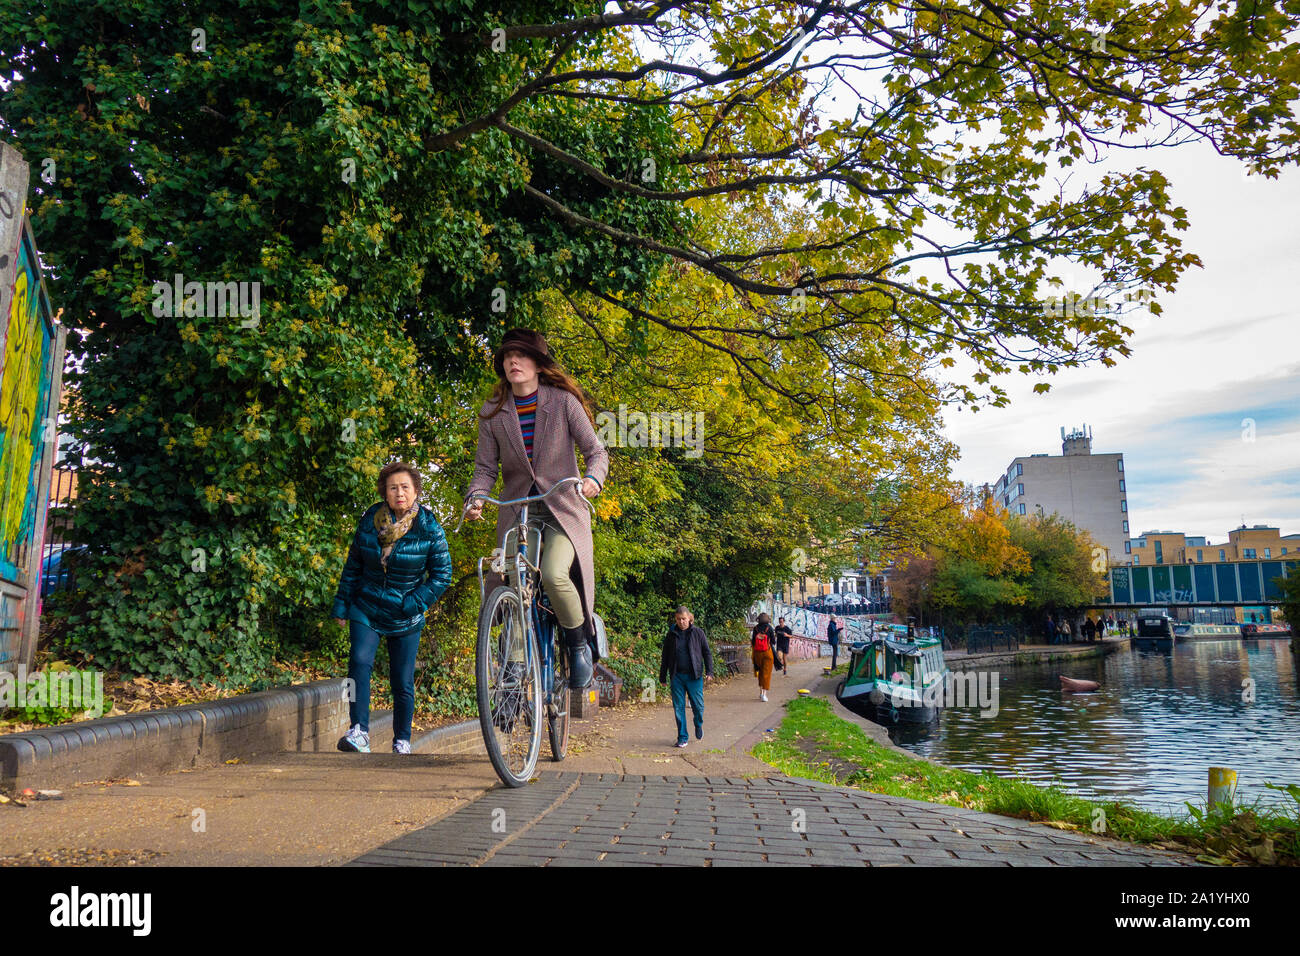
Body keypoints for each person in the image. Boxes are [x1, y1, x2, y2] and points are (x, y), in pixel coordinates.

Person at [464, 328, 609, 688]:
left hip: (562, 507)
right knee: (513, 581)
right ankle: (513, 669)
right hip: (518, 510)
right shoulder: (493, 412)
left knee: (555, 573)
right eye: (508, 356)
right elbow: (485, 469)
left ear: (539, 365)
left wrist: (593, 478)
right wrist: (476, 496)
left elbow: (596, 452)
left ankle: (578, 648)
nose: (514, 361)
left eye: (522, 355)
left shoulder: (562, 402)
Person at [332, 462, 453, 754]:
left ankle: (402, 740)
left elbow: (442, 574)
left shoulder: (428, 526)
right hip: (367, 605)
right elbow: (354, 565)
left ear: (415, 491)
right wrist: (341, 605)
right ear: (385, 493)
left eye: (405, 487)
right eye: (393, 487)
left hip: (406, 614)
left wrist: (413, 603)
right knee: (358, 662)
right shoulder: (370, 521)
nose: (399, 493)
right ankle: (358, 731)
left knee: (402, 680)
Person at [658, 606, 714, 748]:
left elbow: (707, 653)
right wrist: (662, 677)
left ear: (690, 618)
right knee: (678, 707)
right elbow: (665, 656)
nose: (681, 622)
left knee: (698, 707)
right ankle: (682, 737)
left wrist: (709, 672)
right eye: (678, 619)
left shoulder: (698, 633)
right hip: (677, 676)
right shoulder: (671, 635)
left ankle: (698, 723)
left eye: (684, 619)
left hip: (694, 676)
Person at [751, 612, 777, 702]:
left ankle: (761, 692)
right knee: (767, 674)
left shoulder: (755, 628)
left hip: (757, 653)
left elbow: (753, 642)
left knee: (760, 672)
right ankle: (764, 695)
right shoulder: (769, 628)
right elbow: (773, 642)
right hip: (767, 653)